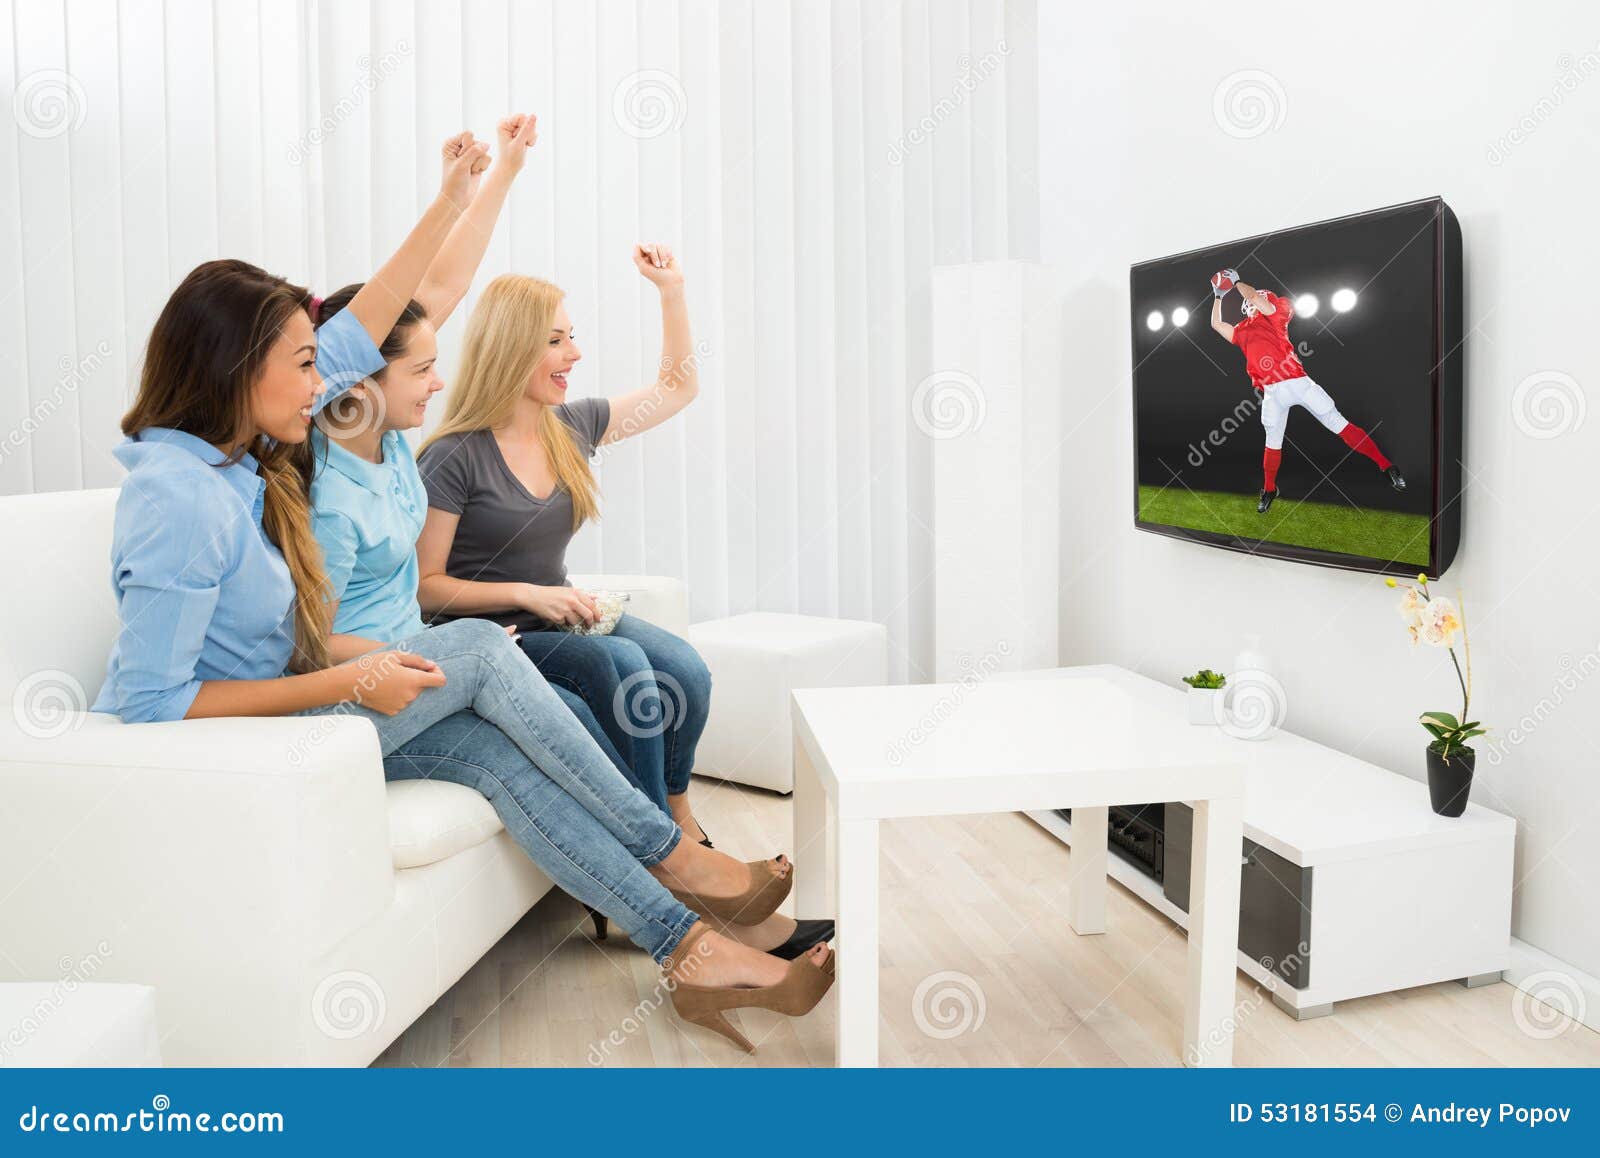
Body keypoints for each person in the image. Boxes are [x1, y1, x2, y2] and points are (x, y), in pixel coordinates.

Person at [91, 140, 831, 1052]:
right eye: (304, 364)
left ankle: (687, 951)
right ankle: (678, 855)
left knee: (504, 757)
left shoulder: (244, 453)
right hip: (268, 738)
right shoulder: (179, 496)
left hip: (322, 703)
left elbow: (402, 310)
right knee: (483, 648)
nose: (323, 379)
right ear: (235, 368)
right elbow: (150, 704)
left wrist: (455, 198)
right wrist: (344, 682)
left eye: (325, 364)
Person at [413, 250, 712, 848]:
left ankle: (674, 810)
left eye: (572, 337)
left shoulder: (572, 426)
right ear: (513, 347)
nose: (574, 353)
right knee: (620, 668)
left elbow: (677, 388)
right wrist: (529, 594)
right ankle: (657, 855)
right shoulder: (452, 455)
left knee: (686, 670)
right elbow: (427, 587)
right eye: (556, 340)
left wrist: (671, 292)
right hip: (497, 637)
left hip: (562, 612)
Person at [1209, 267, 1406, 514]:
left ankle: (1387, 467)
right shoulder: (1242, 330)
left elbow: (1257, 298)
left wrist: (1235, 282)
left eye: (1256, 298)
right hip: (1271, 392)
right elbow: (1216, 324)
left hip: (1297, 383)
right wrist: (1218, 295)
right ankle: (1269, 489)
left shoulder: (1275, 312)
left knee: (1339, 424)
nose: (1252, 301)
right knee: (1272, 444)